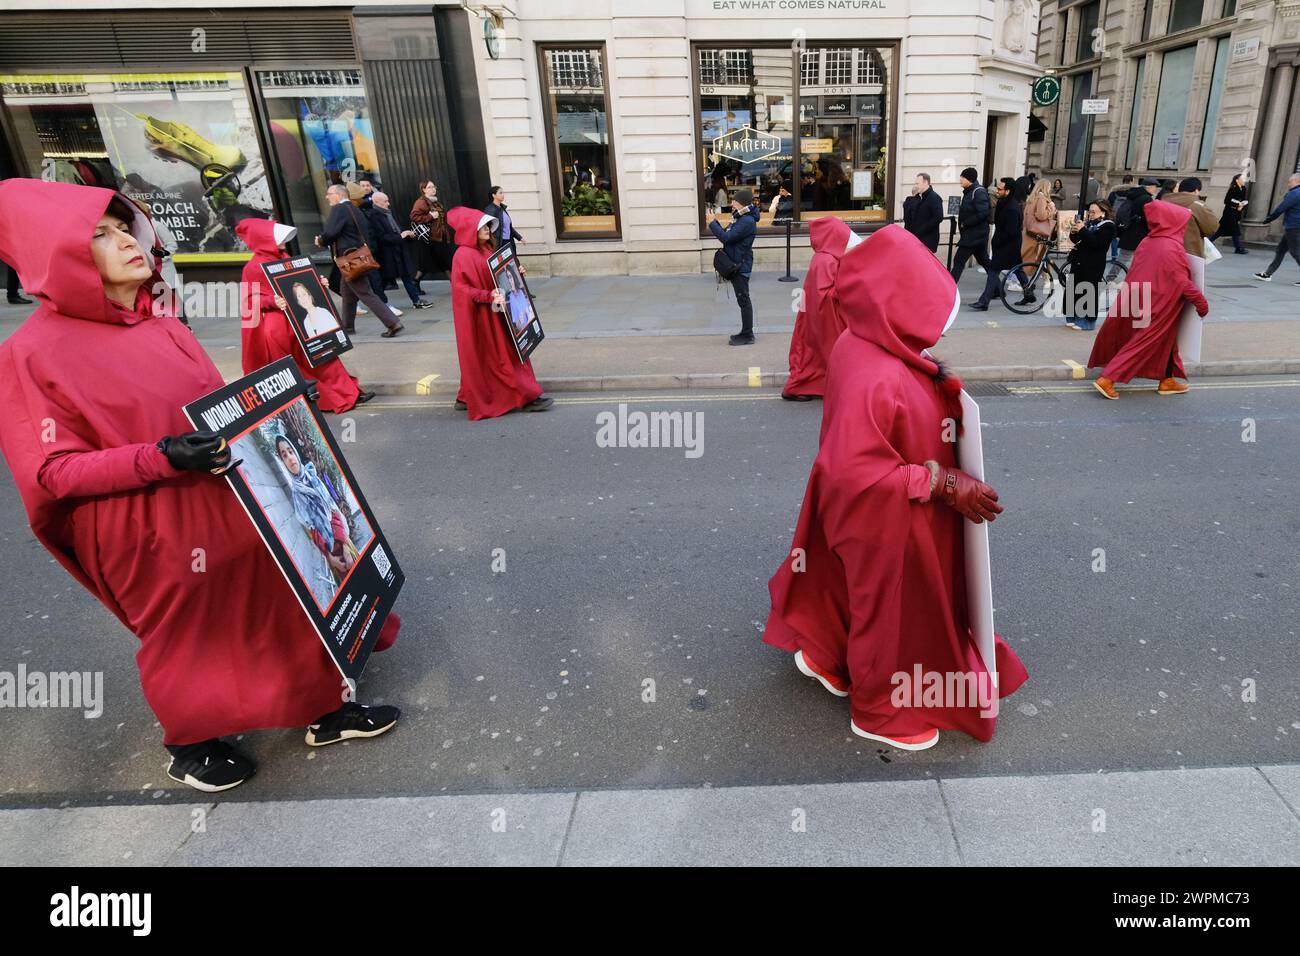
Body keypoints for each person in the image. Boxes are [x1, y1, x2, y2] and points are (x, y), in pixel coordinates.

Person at [0, 179, 401, 792]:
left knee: (284, 596)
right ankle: (191, 742)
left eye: (121, 227)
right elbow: (52, 471)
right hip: (143, 524)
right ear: (60, 259)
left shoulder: (160, 319)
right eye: (98, 237)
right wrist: (160, 457)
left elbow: (217, 407)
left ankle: (324, 707)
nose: (126, 242)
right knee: (185, 632)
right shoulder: (30, 352)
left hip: (227, 495)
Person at [762, 223, 1028, 752]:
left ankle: (827, 655)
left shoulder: (862, 342)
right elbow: (858, 472)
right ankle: (881, 711)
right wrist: (944, 480)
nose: (940, 330)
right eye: (930, 310)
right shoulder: (878, 372)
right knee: (889, 607)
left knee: (844, 581)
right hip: (886, 513)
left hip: (869, 507)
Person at [237, 218, 373, 413]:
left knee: (325, 354)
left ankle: (347, 392)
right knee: (308, 363)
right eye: (277, 237)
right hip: (280, 326)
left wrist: (318, 283)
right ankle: (332, 397)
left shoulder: (283, 255)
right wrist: (271, 301)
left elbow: (298, 282)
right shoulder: (253, 267)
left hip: (299, 318)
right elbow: (249, 300)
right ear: (264, 239)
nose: (283, 241)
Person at [1089, 201, 1209, 398]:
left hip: (1139, 295)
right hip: (1159, 303)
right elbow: (1182, 282)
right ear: (1173, 222)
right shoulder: (1171, 247)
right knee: (1143, 341)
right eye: (1183, 222)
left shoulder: (1148, 240)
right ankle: (1108, 378)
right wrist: (1201, 303)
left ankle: (1167, 380)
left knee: (1166, 341)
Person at [447, 207, 553, 418]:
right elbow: (461, 289)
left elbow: (499, 276)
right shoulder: (463, 255)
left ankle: (465, 396)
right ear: (470, 229)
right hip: (482, 317)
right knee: (503, 357)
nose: (488, 229)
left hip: (498, 312)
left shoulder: (485, 248)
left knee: (488, 357)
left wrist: (515, 272)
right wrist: (488, 296)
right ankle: (526, 397)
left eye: (488, 225)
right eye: (483, 226)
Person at [316, 183, 403, 337]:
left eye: (329, 194)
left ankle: (393, 323)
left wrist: (321, 240)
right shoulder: (354, 209)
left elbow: (331, 232)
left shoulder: (340, 209)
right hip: (356, 258)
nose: (327, 197)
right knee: (347, 293)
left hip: (349, 260)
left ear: (339, 194)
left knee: (365, 293)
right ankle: (347, 327)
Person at [782, 216, 851, 401]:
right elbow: (825, 293)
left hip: (815, 314)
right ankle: (801, 386)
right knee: (822, 352)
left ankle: (808, 385)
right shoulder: (826, 260)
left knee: (812, 353)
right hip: (823, 316)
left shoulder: (823, 257)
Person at [275, 434, 357, 587]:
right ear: (283, 462)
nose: (290, 458)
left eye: (290, 451)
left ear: (296, 453)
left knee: (364, 576)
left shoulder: (313, 478)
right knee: (350, 588)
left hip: (343, 541)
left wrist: (345, 546)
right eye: (284, 455)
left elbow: (332, 509)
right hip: (332, 553)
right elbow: (312, 531)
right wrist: (330, 558)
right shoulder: (297, 495)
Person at [706, 185, 760, 346]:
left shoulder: (747, 221)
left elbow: (726, 238)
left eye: (735, 201)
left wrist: (712, 223)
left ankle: (748, 335)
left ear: (742, 203)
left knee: (744, 300)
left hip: (740, 265)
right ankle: (746, 332)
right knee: (742, 299)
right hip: (738, 262)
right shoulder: (740, 218)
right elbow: (728, 234)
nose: (732, 204)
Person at [366, 191, 430, 309]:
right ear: (376, 202)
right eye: (385, 201)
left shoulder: (389, 213)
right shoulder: (373, 216)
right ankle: (381, 304)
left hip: (398, 248)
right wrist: (400, 236)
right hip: (385, 254)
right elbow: (381, 237)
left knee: (406, 275)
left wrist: (406, 234)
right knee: (383, 280)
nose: (388, 203)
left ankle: (416, 300)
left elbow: (397, 228)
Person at [970, 177, 1025, 311]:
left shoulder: (1012, 208)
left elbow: (1011, 232)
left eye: (1000, 189)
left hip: (1008, 246)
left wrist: (998, 241)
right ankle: (1029, 294)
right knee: (1017, 268)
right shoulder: (1003, 202)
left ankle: (984, 301)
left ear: (1008, 191)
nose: (997, 191)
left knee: (993, 271)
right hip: (1005, 244)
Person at [1063, 199, 1116, 331]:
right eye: (1090, 211)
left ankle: (1086, 322)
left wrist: (1083, 230)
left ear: (1103, 212)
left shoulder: (1108, 226)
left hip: (1093, 263)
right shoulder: (1089, 223)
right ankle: (1072, 316)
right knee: (1073, 288)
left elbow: (1096, 242)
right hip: (1079, 260)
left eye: (1093, 212)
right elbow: (1076, 239)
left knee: (1088, 290)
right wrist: (1074, 231)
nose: (1090, 214)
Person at [1253, 172, 1300, 283]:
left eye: (1290, 182)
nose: (1288, 184)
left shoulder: (1294, 193)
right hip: (1294, 227)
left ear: (1297, 181)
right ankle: (1268, 274)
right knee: (1280, 250)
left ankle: (1267, 274)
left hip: (1293, 227)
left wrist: (1268, 219)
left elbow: (1281, 208)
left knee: (1296, 252)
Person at [949, 167, 993, 283]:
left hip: (974, 235)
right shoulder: (970, 192)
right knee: (984, 261)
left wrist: (965, 223)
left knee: (958, 261)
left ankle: (950, 289)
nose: (960, 179)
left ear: (970, 179)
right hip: (975, 235)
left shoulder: (978, 192)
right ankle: (997, 289)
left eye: (963, 177)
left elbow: (983, 213)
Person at [1164, 177, 1220, 258]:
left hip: (1164, 248)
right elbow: (1212, 228)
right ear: (1196, 190)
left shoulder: (1164, 202)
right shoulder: (1197, 205)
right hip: (1188, 250)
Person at [410, 179, 453, 281]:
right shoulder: (421, 202)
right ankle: (415, 283)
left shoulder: (435, 202)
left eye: (434, 187)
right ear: (423, 190)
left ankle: (454, 284)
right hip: (430, 238)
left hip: (440, 236)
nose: (433, 189)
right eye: (430, 187)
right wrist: (430, 216)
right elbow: (414, 217)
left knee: (446, 262)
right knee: (428, 264)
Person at [1115, 177, 1160, 270]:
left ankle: (1113, 279)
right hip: (1138, 234)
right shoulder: (1146, 198)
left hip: (1129, 231)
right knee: (1125, 259)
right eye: (1155, 187)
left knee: (1124, 258)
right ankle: (1110, 279)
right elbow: (1147, 217)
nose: (1155, 189)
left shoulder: (1134, 194)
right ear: (1149, 187)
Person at [1020, 178, 1056, 285]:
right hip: (1039, 233)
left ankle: (1047, 279)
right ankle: (1022, 280)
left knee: (1040, 255)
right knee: (1036, 256)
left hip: (1030, 230)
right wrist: (1051, 210)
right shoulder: (1041, 199)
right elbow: (1041, 216)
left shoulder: (1032, 198)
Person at [902, 172, 943, 253]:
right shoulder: (921, 197)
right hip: (918, 238)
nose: (916, 185)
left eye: (918, 183)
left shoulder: (934, 197)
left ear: (925, 183)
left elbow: (938, 217)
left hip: (928, 239)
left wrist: (922, 229)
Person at [1209, 173, 1249, 254]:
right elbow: (1227, 200)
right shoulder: (1233, 189)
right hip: (1229, 213)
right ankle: (1238, 248)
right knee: (1235, 230)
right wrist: (1238, 204)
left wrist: (1242, 206)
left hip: (1236, 213)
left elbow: (1244, 200)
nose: (1244, 180)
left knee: (1221, 230)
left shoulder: (1244, 188)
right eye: (1242, 179)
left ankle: (1208, 242)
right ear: (1237, 180)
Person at [484, 185, 525, 256]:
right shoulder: (490, 210)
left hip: (509, 241)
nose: (503, 195)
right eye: (500, 193)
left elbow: (509, 227)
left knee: (513, 262)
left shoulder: (502, 208)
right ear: (494, 195)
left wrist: (520, 238)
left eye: (503, 193)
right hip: (500, 243)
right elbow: (488, 228)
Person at [1105, 175, 1134, 259]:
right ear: (1131, 181)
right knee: (1125, 235)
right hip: (1126, 218)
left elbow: (1108, 205)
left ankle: (1114, 255)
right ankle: (1123, 254)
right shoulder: (1132, 192)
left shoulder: (1113, 192)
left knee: (1114, 236)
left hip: (1114, 216)